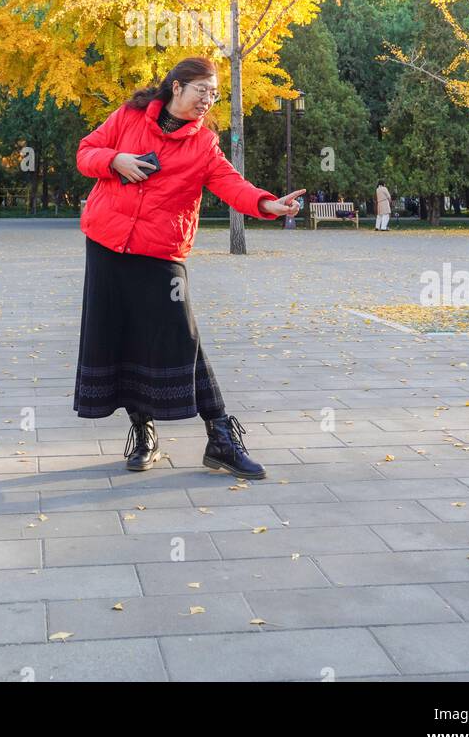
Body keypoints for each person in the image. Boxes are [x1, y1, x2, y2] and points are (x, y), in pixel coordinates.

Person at [74, 56, 304, 480]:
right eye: (202, 90)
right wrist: (116, 160)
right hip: (107, 244)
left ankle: (220, 436)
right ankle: (144, 433)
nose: (208, 99)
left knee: (184, 337)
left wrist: (267, 204)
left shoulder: (204, 144)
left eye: (214, 94)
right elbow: (85, 153)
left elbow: (230, 182)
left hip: (161, 253)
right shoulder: (129, 116)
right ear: (176, 87)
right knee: (123, 336)